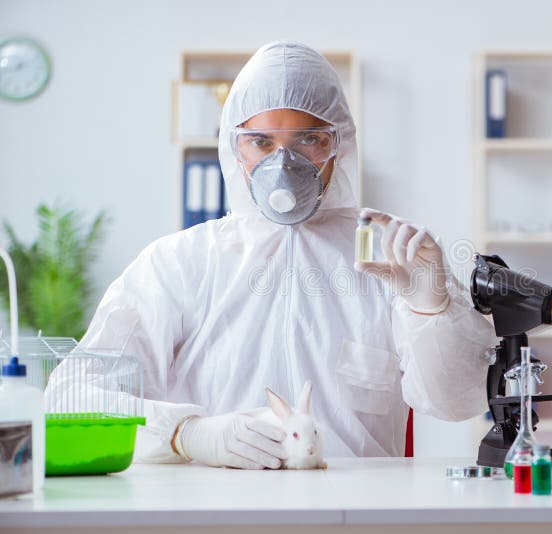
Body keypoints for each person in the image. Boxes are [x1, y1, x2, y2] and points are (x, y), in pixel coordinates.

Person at [76, 42, 496, 469]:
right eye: (260, 141)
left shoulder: (389, 256)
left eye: (308, 139)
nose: (283, 163)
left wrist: (432, 307)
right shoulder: (179, 263)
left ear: (339, 145)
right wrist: (184, 434)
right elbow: (76, 395)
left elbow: (460, 402)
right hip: (211, 507)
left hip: (356, 510)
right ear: (234, 148)